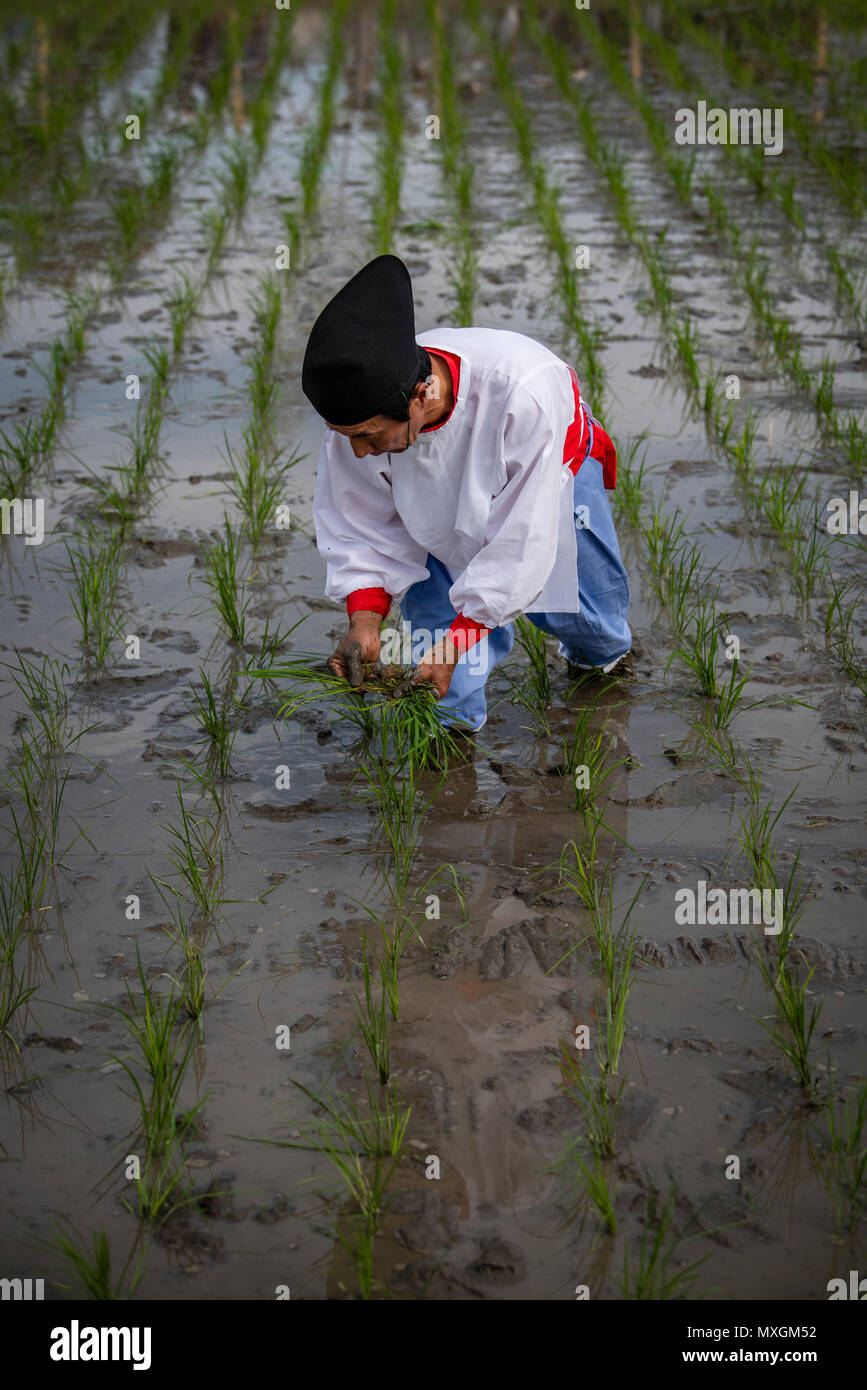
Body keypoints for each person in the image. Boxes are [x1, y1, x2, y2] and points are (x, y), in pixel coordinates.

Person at [302, 254, 631, 734]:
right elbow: (360, 524)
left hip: (547, 479)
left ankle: (600, 679)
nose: (356, 452)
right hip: (427, 509)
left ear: (420, 395)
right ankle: (451, 746)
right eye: (344, 434)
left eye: (368, 436)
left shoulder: (524, 393)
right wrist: (365, 624)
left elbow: (522, 545)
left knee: (591, 631)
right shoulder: (359, 414)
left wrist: (464, 635)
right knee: (439, 686)